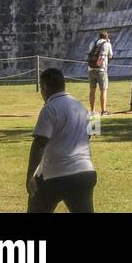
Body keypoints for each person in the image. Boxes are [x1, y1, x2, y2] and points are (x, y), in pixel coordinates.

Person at [27, 68, 97, 213]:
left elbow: (39, 144)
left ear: (45, 87)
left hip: (56, 174)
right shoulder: (82, 107)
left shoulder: (50, 108)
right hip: (85, 171)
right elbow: (90, 135)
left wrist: (30, 176)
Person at [86, 31, 112, 116]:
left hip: (91, 69)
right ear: (106, 37)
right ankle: (103, 111)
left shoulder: (92, 43)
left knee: (92, 91)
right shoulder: (107, 44)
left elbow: (89, 53)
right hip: (101, 70)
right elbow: (110, 55)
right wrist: (108, 44)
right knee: (103, 90)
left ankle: (92, 110)